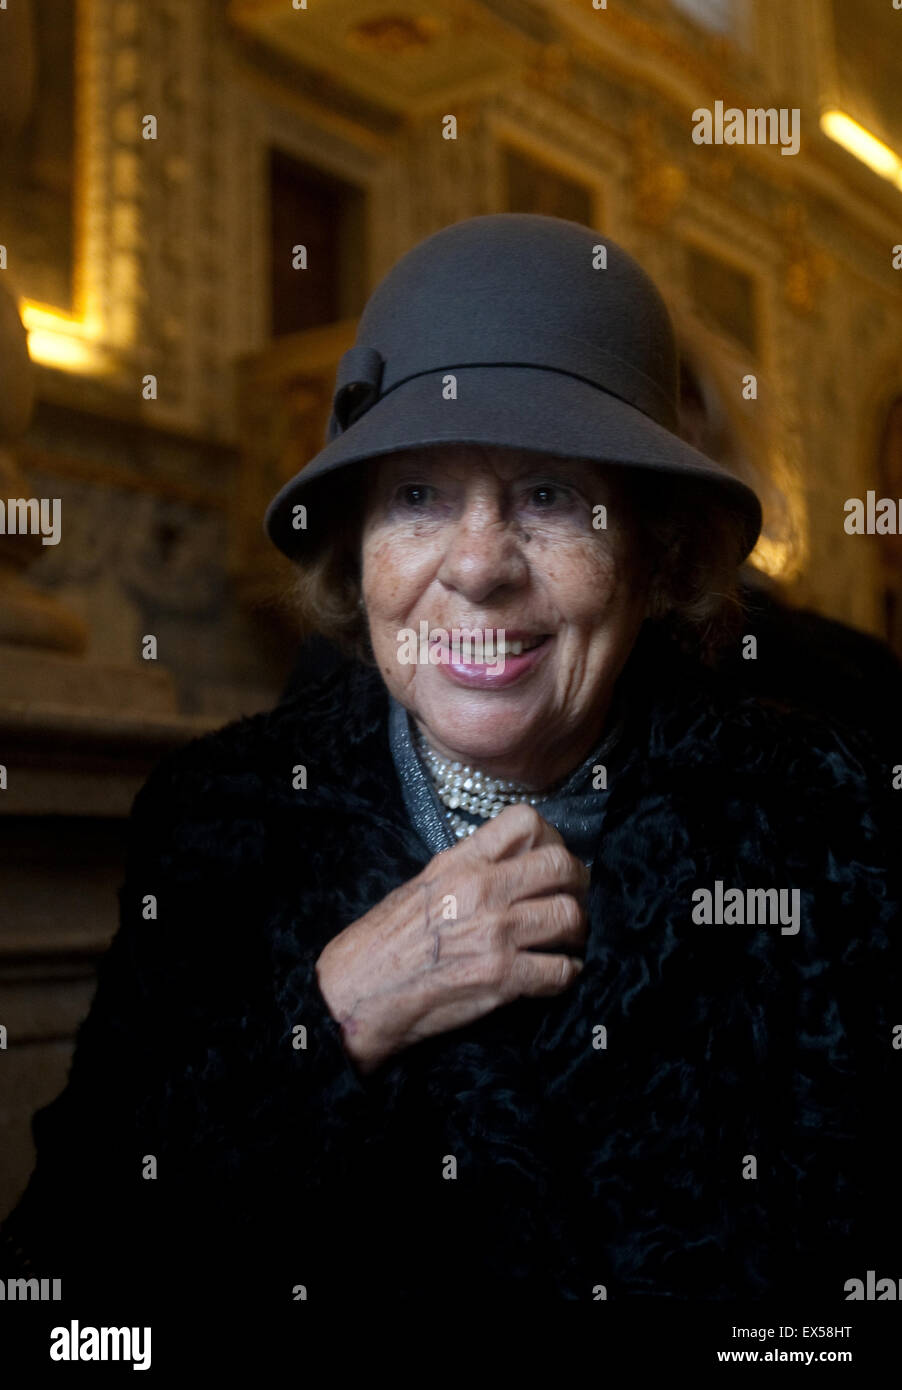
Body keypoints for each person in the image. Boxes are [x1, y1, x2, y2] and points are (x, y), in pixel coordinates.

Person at [1, 215, 898, 1316]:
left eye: (550, 496)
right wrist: (334, 1016)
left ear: (654, 551)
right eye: (417, 495)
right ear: (357, 545)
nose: (476, 566)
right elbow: (62, 1285)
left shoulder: (817, 825)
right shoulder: (220, 825)